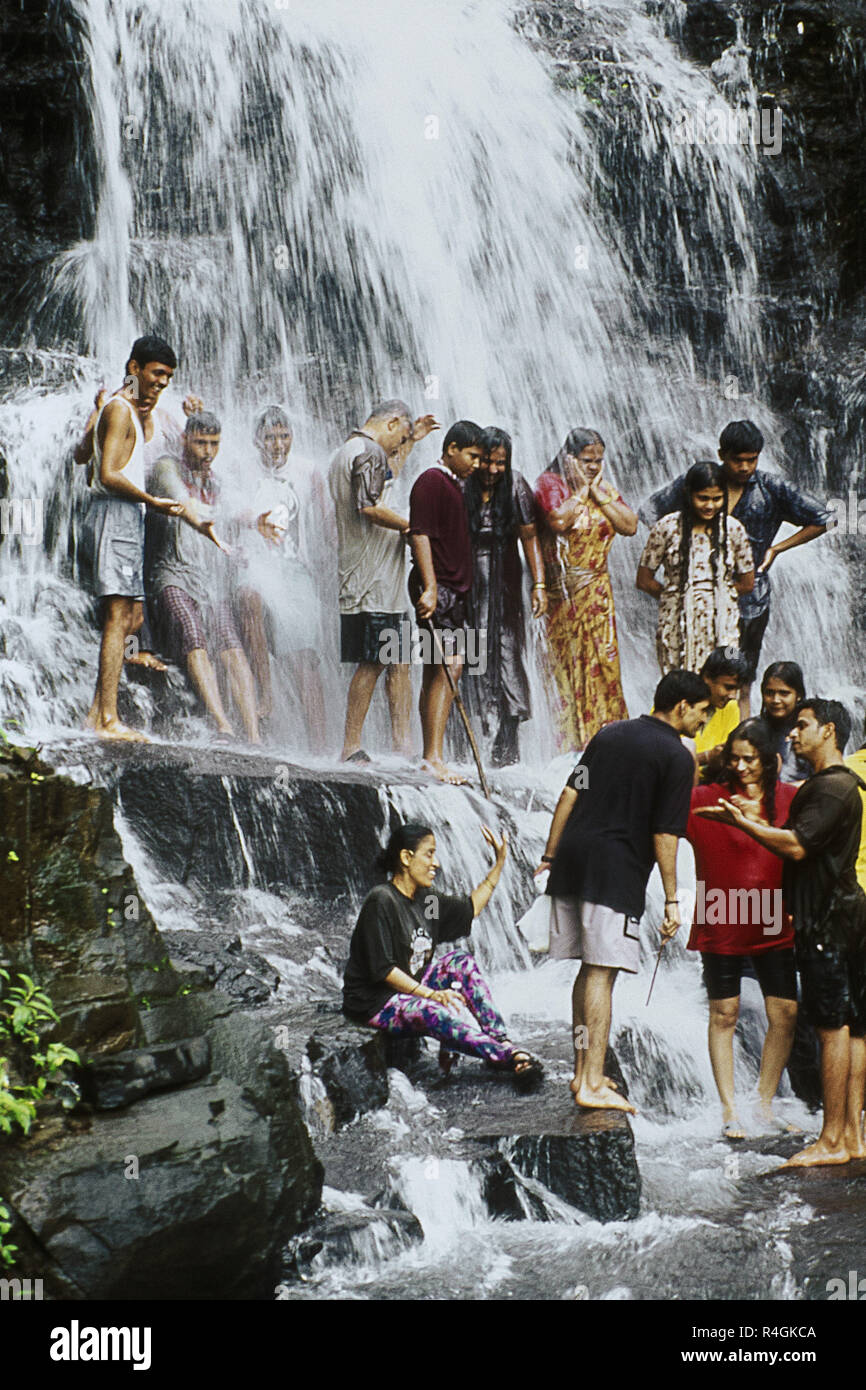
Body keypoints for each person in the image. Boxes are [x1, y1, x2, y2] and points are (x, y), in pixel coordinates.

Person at [695, 698, 866, 1167]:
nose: (792, 733)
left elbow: (795, 846)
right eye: (734, 757)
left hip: (803, 920)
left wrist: (744, 823)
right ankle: (844, 1133)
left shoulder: (816, 791)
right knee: (847, 1029)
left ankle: (814, 1129)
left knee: (816, 1022)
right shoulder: (832, 786)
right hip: (767, 916)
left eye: (802, 726)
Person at [538, 670, 711, 1112]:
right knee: (602, 972)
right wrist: (673, 899)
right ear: (682, 706)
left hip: (574, 858)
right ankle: (592, 1080)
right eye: (703, 712)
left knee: (587, 971)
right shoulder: (676, 755)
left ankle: (582, 1071)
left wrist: (550, 856)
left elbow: (570, 795)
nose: (704, 723)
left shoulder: (609, 734)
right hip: (613, 869)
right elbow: (665, 834)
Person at [639, 420, 831, 714]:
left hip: (748, 601)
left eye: (751, 460)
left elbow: (824, 518)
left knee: (739, 679)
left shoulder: (771, 488)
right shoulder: (698, 481)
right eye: (737, 460)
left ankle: (737, 744)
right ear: (721, 454)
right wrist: (682, 558)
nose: (744, 467)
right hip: (694, 607)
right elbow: (650, 512)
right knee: (689, 674)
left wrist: (777, 548)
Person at [342, 822, 543, 1087]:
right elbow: (384, 971)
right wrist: (432, 995)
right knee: (432, 1010)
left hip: (409, 990)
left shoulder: (427, 901)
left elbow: (468, 910)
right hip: (376, 1002)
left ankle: (500, 1038)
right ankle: (504, 1055)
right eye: (429, 854)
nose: (435, 863)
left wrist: (499, 864)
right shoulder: (382, 901)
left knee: (461, 962)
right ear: (406, 857)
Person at [81, 335, 205, 741]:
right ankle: (108, 721)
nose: (161, 383)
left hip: (125, 517)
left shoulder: (122, 408)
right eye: (156, 374)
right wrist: (153, 499)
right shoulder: (119, 408)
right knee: (120, 616)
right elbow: (107, 475)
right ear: (135, 367)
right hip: (115, 514)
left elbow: (83, 456)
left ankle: (96, 713)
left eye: (167, 377)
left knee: (133, 617)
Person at [686, 719, 800, 1138]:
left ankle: (765, 1104)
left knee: (785, 1012)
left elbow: (807, 847)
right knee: (724, 1012)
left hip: (772, 913)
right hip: (722, 914)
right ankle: (729, 1109)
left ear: (770, 761)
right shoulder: (704, 799)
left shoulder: (788, 799)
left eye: (749, 759)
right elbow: (660, 824)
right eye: (733, 758)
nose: (740, 766)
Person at [329, 399, 438, 763]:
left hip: (373, 576)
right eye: (402, 435)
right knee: (374, 660)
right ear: (391, 423)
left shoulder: (351, 449)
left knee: (400, 660)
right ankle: (350, 746)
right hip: (371, 578)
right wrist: (413, 526)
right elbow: (370, 506)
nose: (399, 445)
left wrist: (411, 442)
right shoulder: (368, 452)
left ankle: (401, 744)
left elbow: (383, 481)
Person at [149, 412, 261, 744]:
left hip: (207, 577)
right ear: (185, 439)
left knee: (230, 643)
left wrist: (258, 520)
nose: (208, 451)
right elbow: (181, 501)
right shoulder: (166, 467)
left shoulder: (215, 481)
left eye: (214, 443)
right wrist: (192, 508)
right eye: (200, 442)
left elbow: (235, 512)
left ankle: (254, 736)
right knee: (193, 632)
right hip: (171, 571)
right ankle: (223, 725)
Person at [534, 428, 635, 751]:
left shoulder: (604, 489)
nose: (592, 466)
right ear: (569, 458)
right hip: (563, 594)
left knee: (604, 666)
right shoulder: (550, 484)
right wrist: (582, 491)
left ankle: (606, 742)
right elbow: (558, 521)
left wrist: (596, 491)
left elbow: (629, 525)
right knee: (565, 666)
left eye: (598, 461)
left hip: (598, 595)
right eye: (586, 460)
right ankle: (565, 746)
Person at [231, 407, 326, 751]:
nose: (278, 444)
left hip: (292, 567)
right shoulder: (241, 467)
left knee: (305, 658)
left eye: (284, 436)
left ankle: (320, 745)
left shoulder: (308, 470)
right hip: (254, 559)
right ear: (257, 439)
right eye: (270, 437)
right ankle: (265, 694)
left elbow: (328, 523)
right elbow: (227, 506)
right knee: (249, 599)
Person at [462, 426, 546, 767]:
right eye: (487, 462)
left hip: (504, 580)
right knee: (469, 653)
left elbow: (530, 538)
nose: (493, 470)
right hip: (466, 581)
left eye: (500, 463)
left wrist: (539, 584)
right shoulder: (463, 484)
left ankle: (507, 743)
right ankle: (464, 740)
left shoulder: (516, 487)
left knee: (507, 652)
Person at [408, 420, 484, 784]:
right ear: (451, 448)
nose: (477, 464)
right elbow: (419, 535)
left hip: (453, 589)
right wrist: (430, 588)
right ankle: (432, 757)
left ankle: (430, 753)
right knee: (450, 666)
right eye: (472, 455)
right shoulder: (431, 481)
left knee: (436, 669)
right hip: (439, 588)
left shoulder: (455, 485)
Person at [636, 461, 754, 676]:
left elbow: (747, 583)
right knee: (678, 682)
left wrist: (718, 595)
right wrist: (675, 596)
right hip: (675, 621)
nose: (710, 506)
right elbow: (644, 580)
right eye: (703, 498)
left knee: (727, 675)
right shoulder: (667, 527)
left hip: (724, 622)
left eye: (716, 499)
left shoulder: (734, 529)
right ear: (688, 494)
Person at [693, 647, 750, 782]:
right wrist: (705, 757)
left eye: (736, 689)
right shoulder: (678, 700)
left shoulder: (731, 708)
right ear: (707, 677)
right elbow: (660, 756)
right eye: (728, 687)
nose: (733, 696)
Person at [760, 661, 810, 783]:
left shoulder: (810, 730)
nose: (775, 700)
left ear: (798, 695)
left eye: (784, 693)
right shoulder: (755, 728)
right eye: (769, 693)